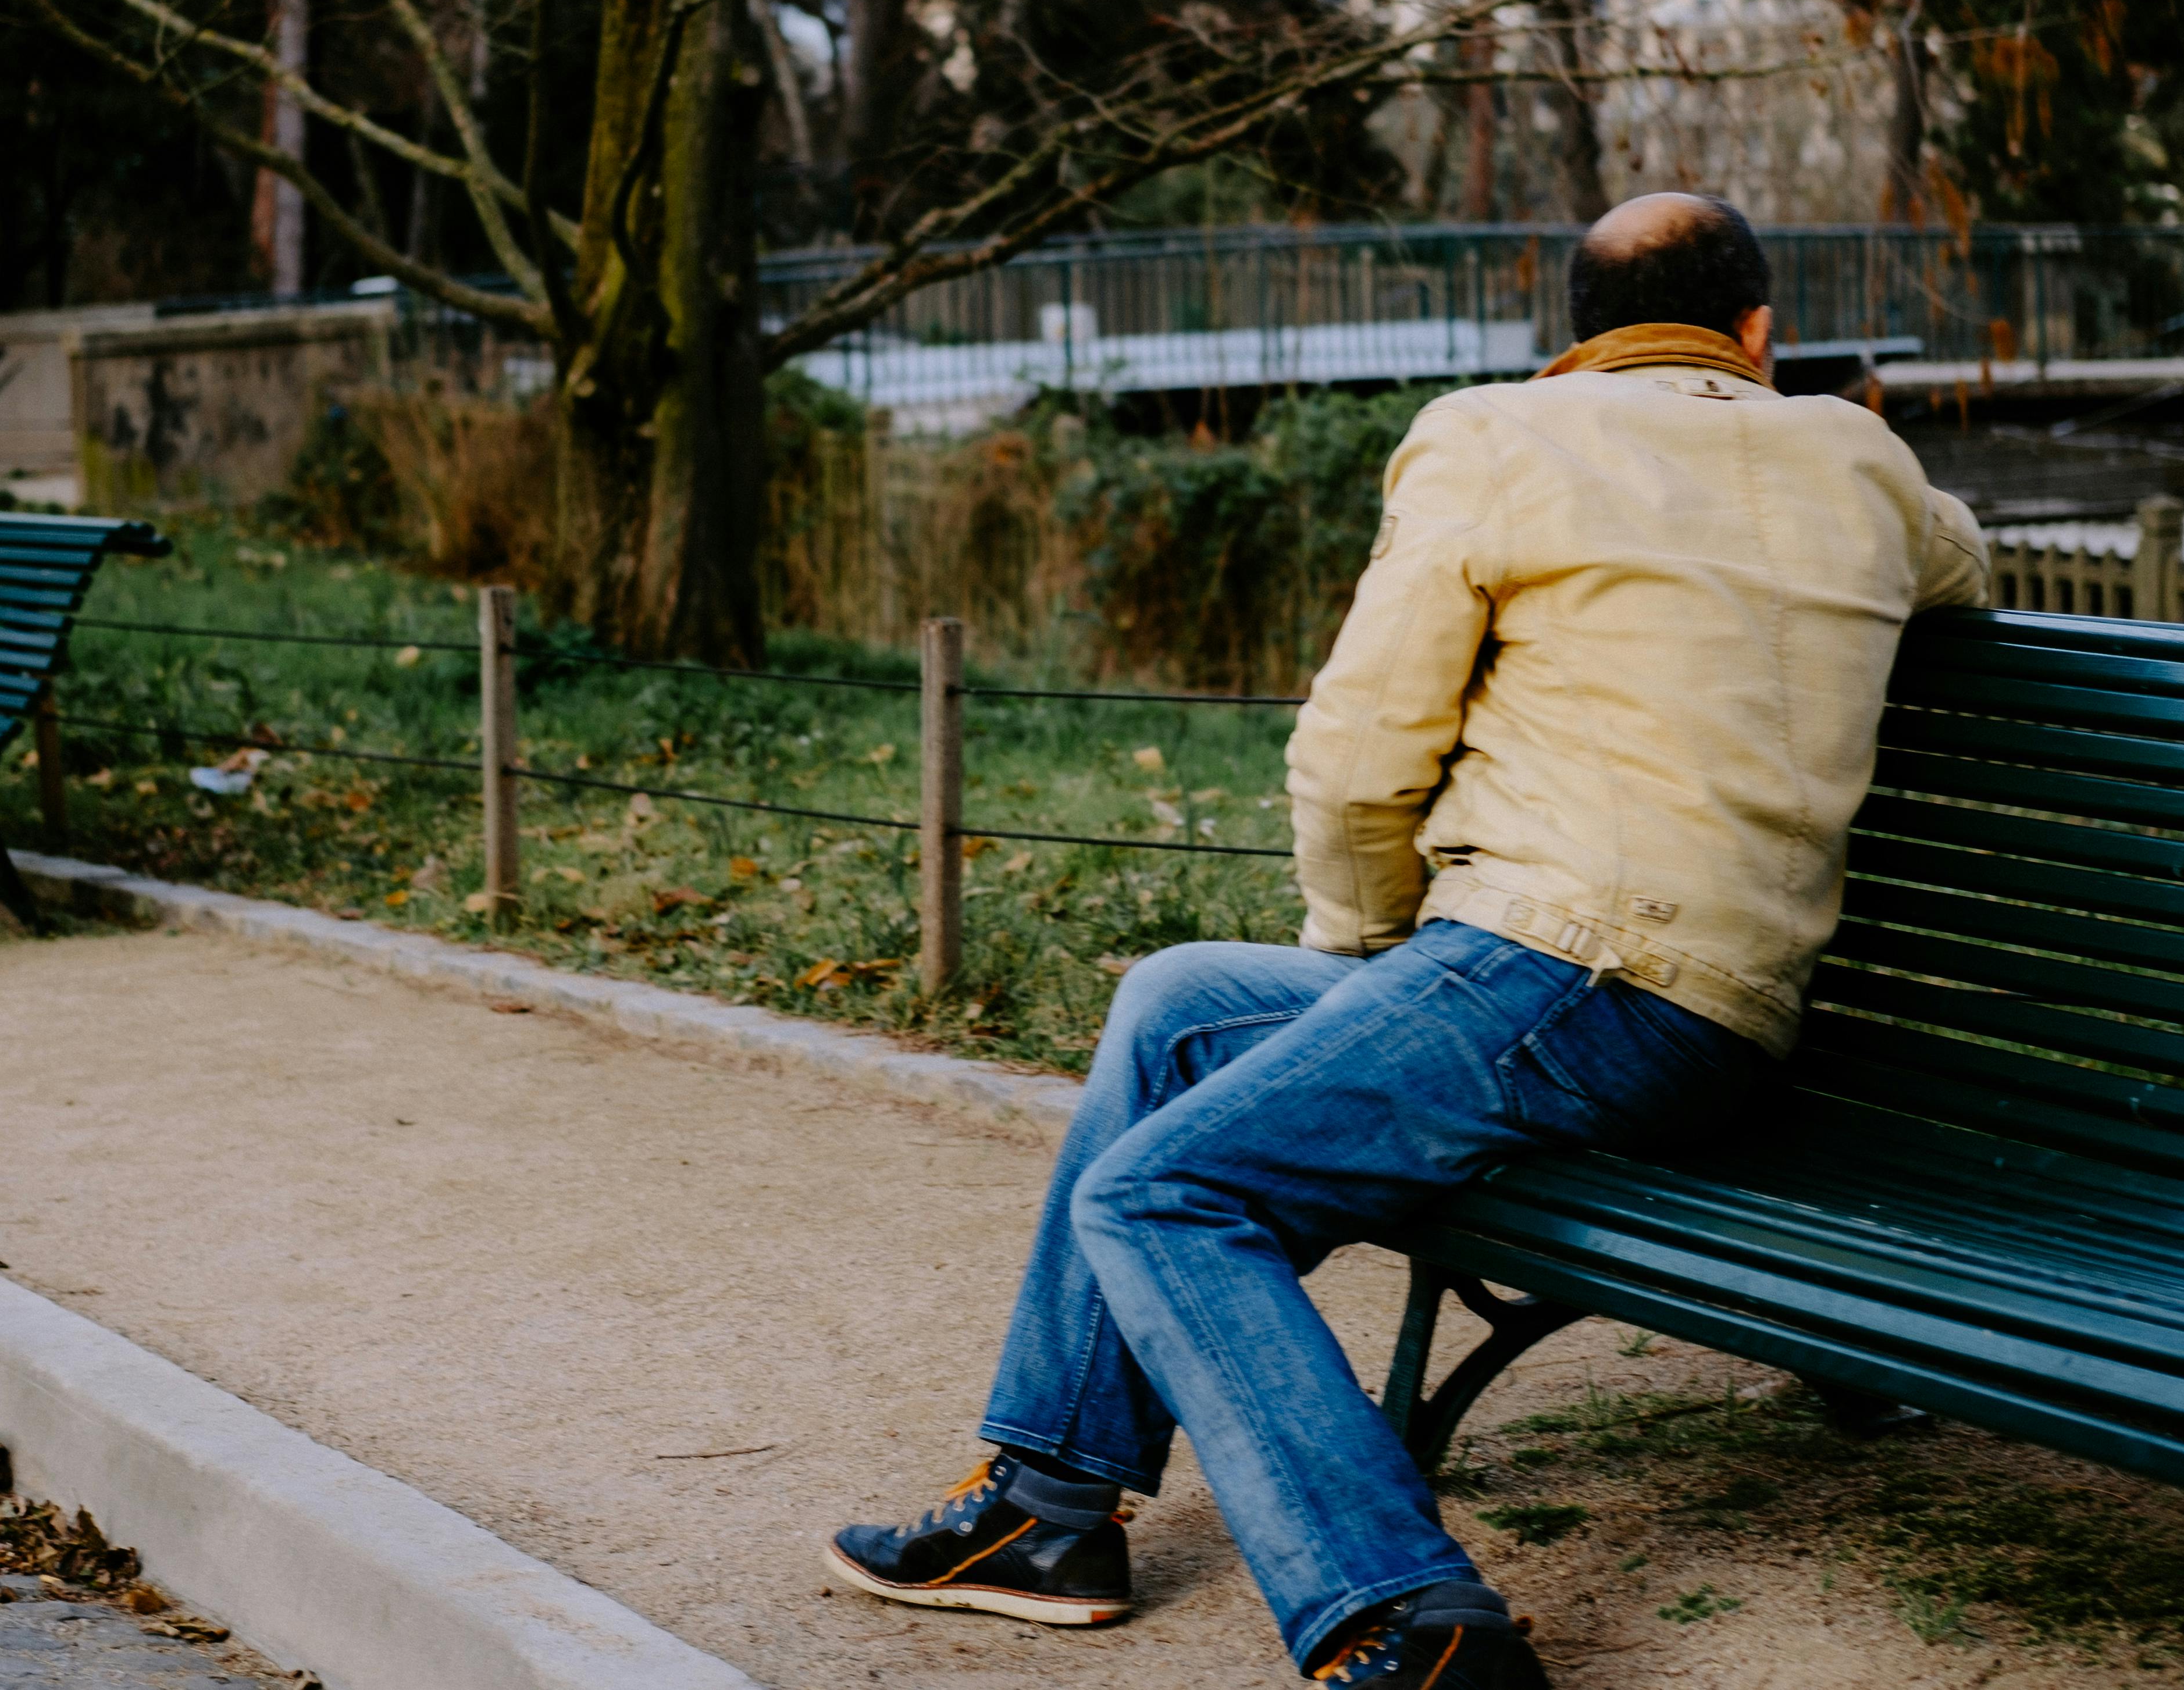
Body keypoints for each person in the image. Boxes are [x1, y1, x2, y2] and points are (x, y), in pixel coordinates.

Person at [823, 193, 1994, 1687]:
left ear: (1575, 343)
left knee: (1163, 1198)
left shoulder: (1501, 437)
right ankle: (1049, 1510)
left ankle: (1413, 1618)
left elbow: (1359, 756)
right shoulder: (1860, 453)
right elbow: (1961, 563)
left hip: (1565, 973)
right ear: (1757, 333)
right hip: (1718, 1015)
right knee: (1175, 1000)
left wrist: (1366, 951)